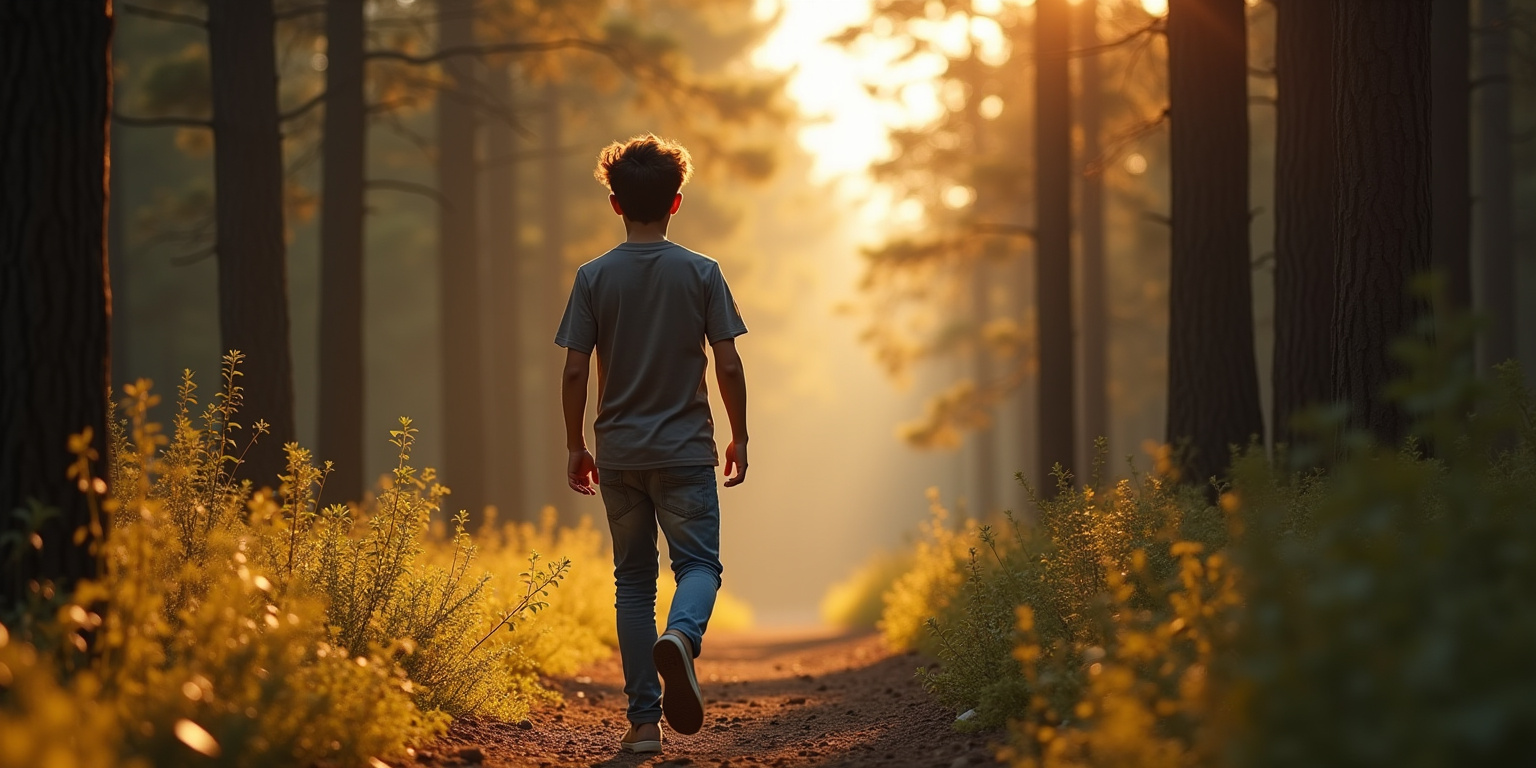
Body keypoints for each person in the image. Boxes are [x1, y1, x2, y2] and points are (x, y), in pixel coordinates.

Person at [554, 134, 750, 754]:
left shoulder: (592, 278)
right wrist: (739, 434)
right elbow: (730, 364)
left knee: (633, 582)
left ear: (615, 204)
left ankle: (644, 725)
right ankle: (683, 639)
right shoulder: (702, 272)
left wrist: (574, 443)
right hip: (687, 451)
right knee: (698, 566)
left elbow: (574, 371)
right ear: (677, 202)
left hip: (619, 455)